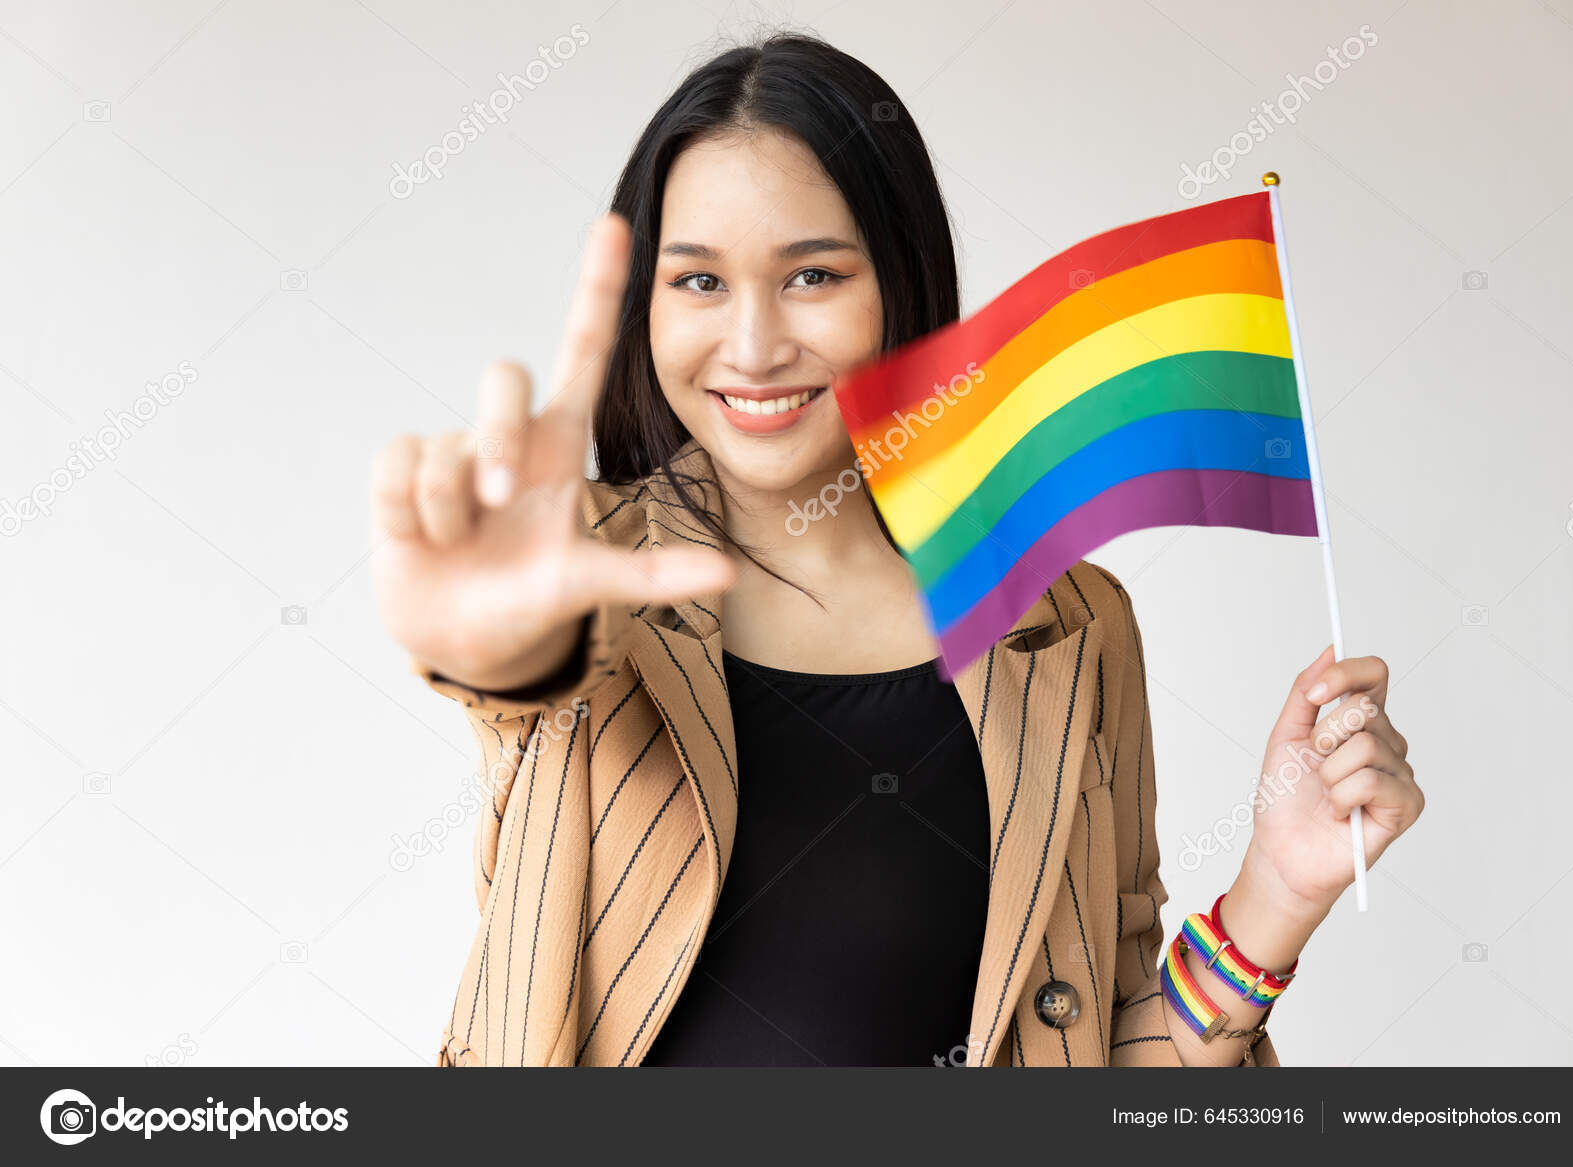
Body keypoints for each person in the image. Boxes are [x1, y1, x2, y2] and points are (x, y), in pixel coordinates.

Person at [369, 33, 1422, 1067]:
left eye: (812, 275)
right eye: (697, 282)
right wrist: (491, 645)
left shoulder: (1068, 623)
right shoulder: (585, 578)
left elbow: (1096, 1058)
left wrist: (1276, 895)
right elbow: (520, 685)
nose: (751, 344)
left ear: (900, 286)